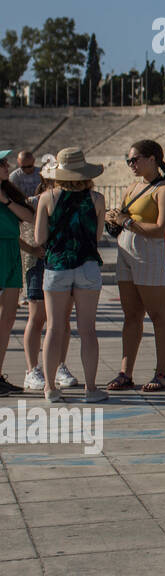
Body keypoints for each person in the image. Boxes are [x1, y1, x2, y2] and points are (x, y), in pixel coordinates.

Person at [103, 140, 165, 392]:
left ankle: (162, 372)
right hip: (127, 251)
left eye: (135, 159)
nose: (131, 165)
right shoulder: (133, 186)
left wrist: (126, 222)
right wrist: (115, 218)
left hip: (151, 253)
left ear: (153, 159)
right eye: (129, 160)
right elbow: (126, 218)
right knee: (131, 316)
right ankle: (126, 371)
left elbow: (162, 228)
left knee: (158, 315)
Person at [33, 148, 107, 402]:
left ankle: (51, 387)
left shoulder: (47, 197)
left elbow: (39, 238)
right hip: (87, 265)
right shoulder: (96, 198)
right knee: (87, 330)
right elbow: (97, 237)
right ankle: (91, 388)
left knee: (54, 328)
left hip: (57, 265)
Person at [20, 162, 75, 393]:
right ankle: (32, 369)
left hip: (65, 262)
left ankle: (59, 365)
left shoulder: (74, 200)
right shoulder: (34, 201)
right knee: (38, 317)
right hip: (39, 262)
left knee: (62, 319)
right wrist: (30, 249)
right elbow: (13, 228)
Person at [0, 152, 38, 396]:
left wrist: (5, 201)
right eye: (2, 164)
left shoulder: (9, 193)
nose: (7, 167)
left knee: (7, 319)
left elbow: (30, 218)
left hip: (11, 255)